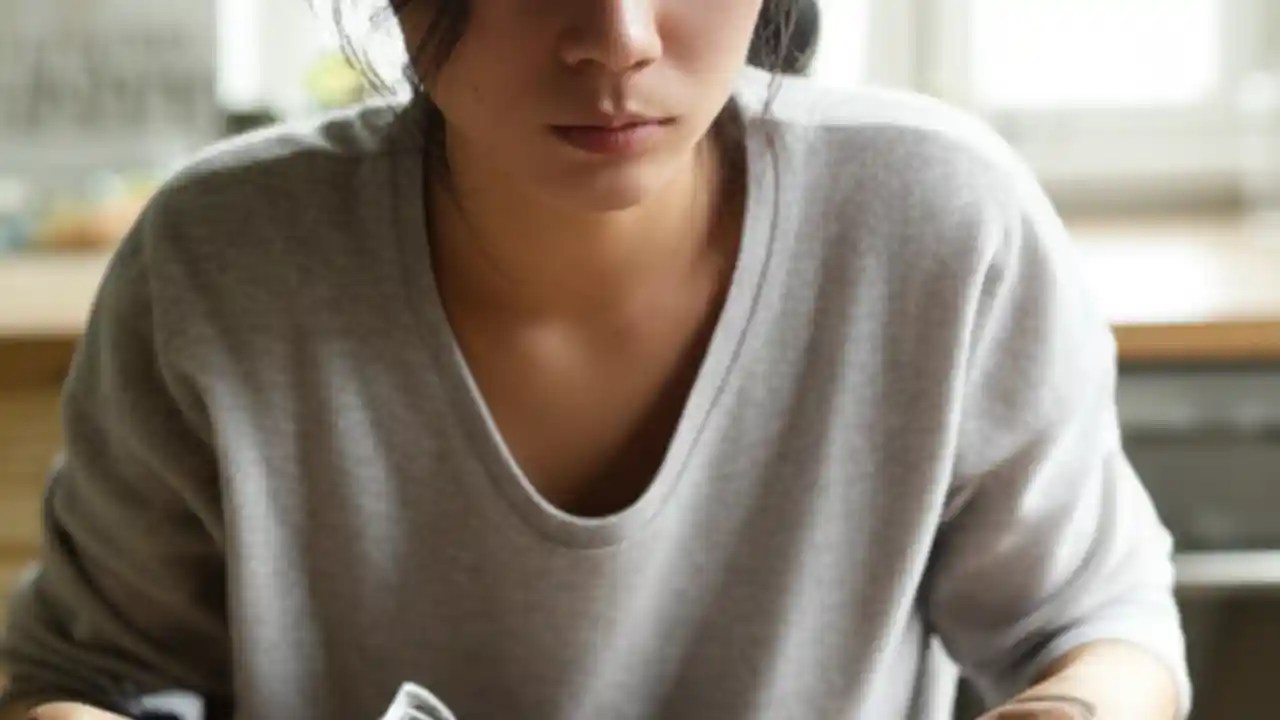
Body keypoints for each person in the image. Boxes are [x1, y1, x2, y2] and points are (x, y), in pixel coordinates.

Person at [1, 1, 1190, 718]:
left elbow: (1095, 625)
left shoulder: (936, 224)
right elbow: (88, 673)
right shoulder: (223, 263)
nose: (617, 38)